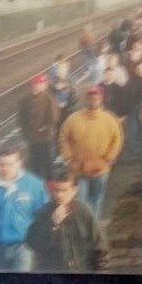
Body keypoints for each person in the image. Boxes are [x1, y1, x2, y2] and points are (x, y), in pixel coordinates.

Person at [25, 169, 109, 272]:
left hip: (81, 271)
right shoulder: (44, 212)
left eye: (64, 191)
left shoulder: (84, 211)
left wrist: (100, 272)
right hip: (52, 271)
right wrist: (52, 224)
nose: (59, 195)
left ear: (74, 190)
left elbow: (99, 246)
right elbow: (32, 243)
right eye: (56, 190)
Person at [58, 86, 124, 218]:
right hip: (78, 169)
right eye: (91, 97)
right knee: (80, 201)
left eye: (96, 97)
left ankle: (93, 227)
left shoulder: (109, 119)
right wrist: (69, 158)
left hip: (100, 169)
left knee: (96, 199)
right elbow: (63, 137)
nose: (93, 100)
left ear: (101, 99)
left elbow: (117, 139)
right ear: (86, 99)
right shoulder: (73, 119)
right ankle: (81, 229)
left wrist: (107, 159)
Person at [18, 74, 60, 181]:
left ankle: (49, 183)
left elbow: (53, 116)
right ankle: (36, 181)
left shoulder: (48, 98)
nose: (37, 86)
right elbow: (21, 116)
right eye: (35, 84)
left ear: (44, 86)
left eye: (40, 84)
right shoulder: (25, 99)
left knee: (47, 162)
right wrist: (24, 130)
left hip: (44, 137)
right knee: (34, 162)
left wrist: (45, 127)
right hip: (31, 137)